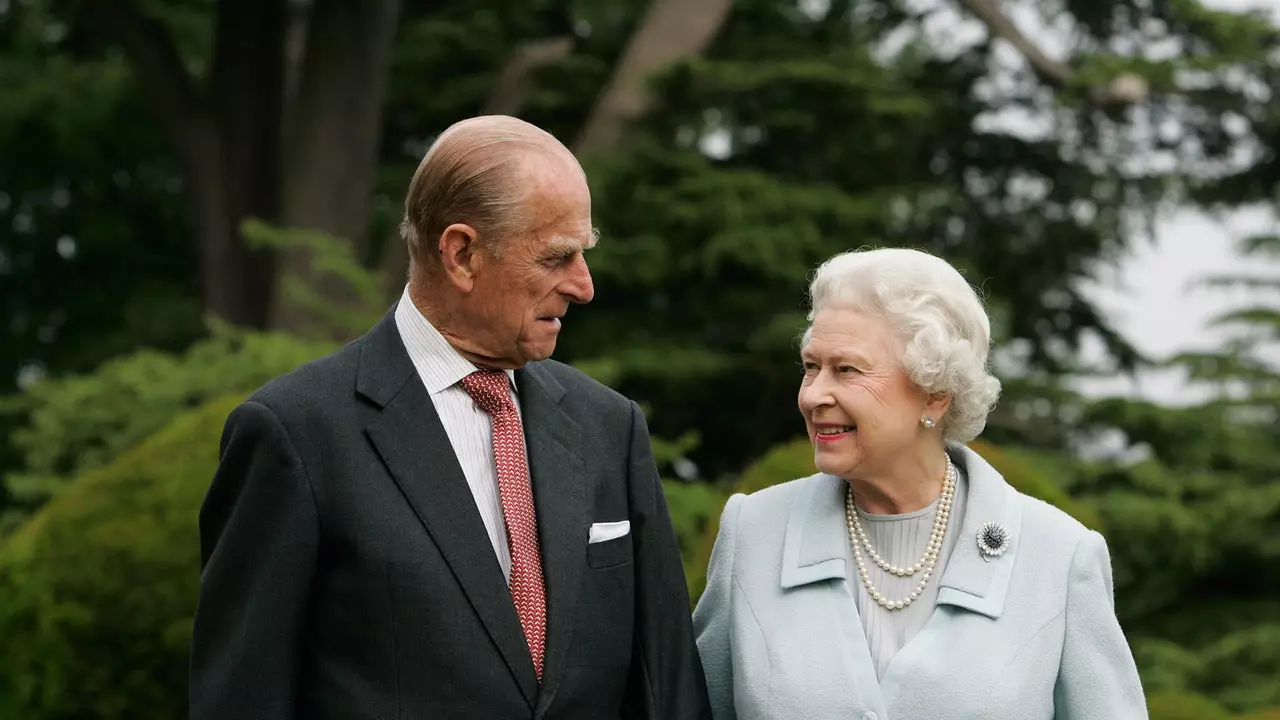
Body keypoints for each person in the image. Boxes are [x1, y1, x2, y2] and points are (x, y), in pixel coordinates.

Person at [190, 115, 711, 720]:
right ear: (462, 253)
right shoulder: (294, 435)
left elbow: (669, 689)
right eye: (558, 256)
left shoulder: (610, 427)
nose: (584, 286)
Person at [692, 247, 1148, 719]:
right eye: (811, 366)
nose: (814, 394)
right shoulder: (753, 533)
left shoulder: (1058, 557)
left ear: (933, 395)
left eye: (847, 370)